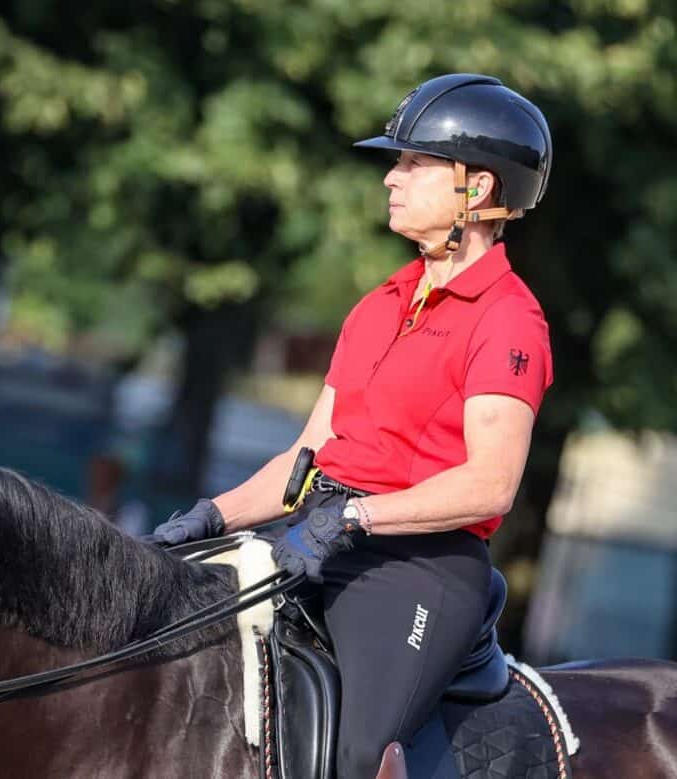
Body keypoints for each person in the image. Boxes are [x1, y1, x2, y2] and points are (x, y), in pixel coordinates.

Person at [151, 73, 553, 778]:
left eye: (413, 164)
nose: (392, 179)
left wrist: (355, 518)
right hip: (315, 533)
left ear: (478, 190)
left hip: (419, 565)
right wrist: (212, 515)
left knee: (361, 755)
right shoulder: (379, 305)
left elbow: (491, 484)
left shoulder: (508, 317)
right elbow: (308, 455)